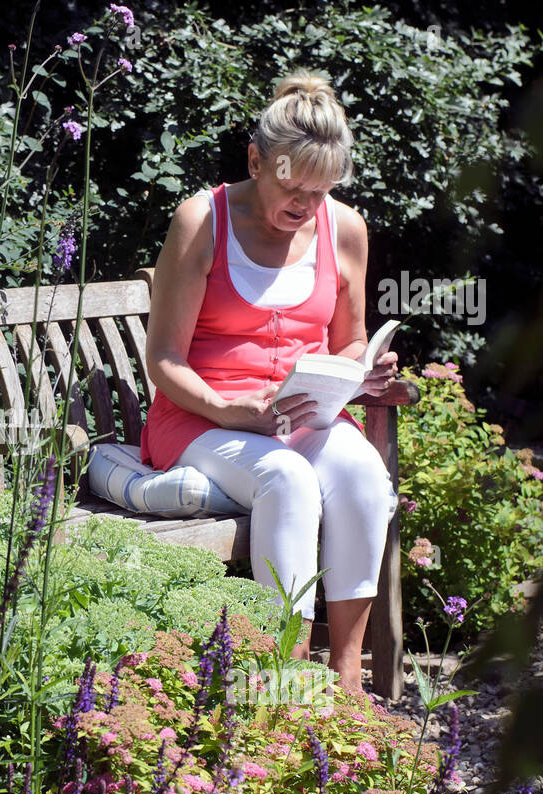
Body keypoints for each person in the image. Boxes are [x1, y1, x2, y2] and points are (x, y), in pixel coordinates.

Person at [140, 70, 399, 693]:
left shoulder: (346, 229)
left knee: (364, 474)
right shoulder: (202, 220)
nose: (306, 207)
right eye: (295, 187)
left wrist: (364, 372)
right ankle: (284, 677)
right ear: (257, 160)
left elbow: (350, 338)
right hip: (203, 417)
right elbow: (165, 359)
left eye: (323, 190)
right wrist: (228, 409)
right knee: (287, 479)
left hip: (304, 415)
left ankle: (345, 678)